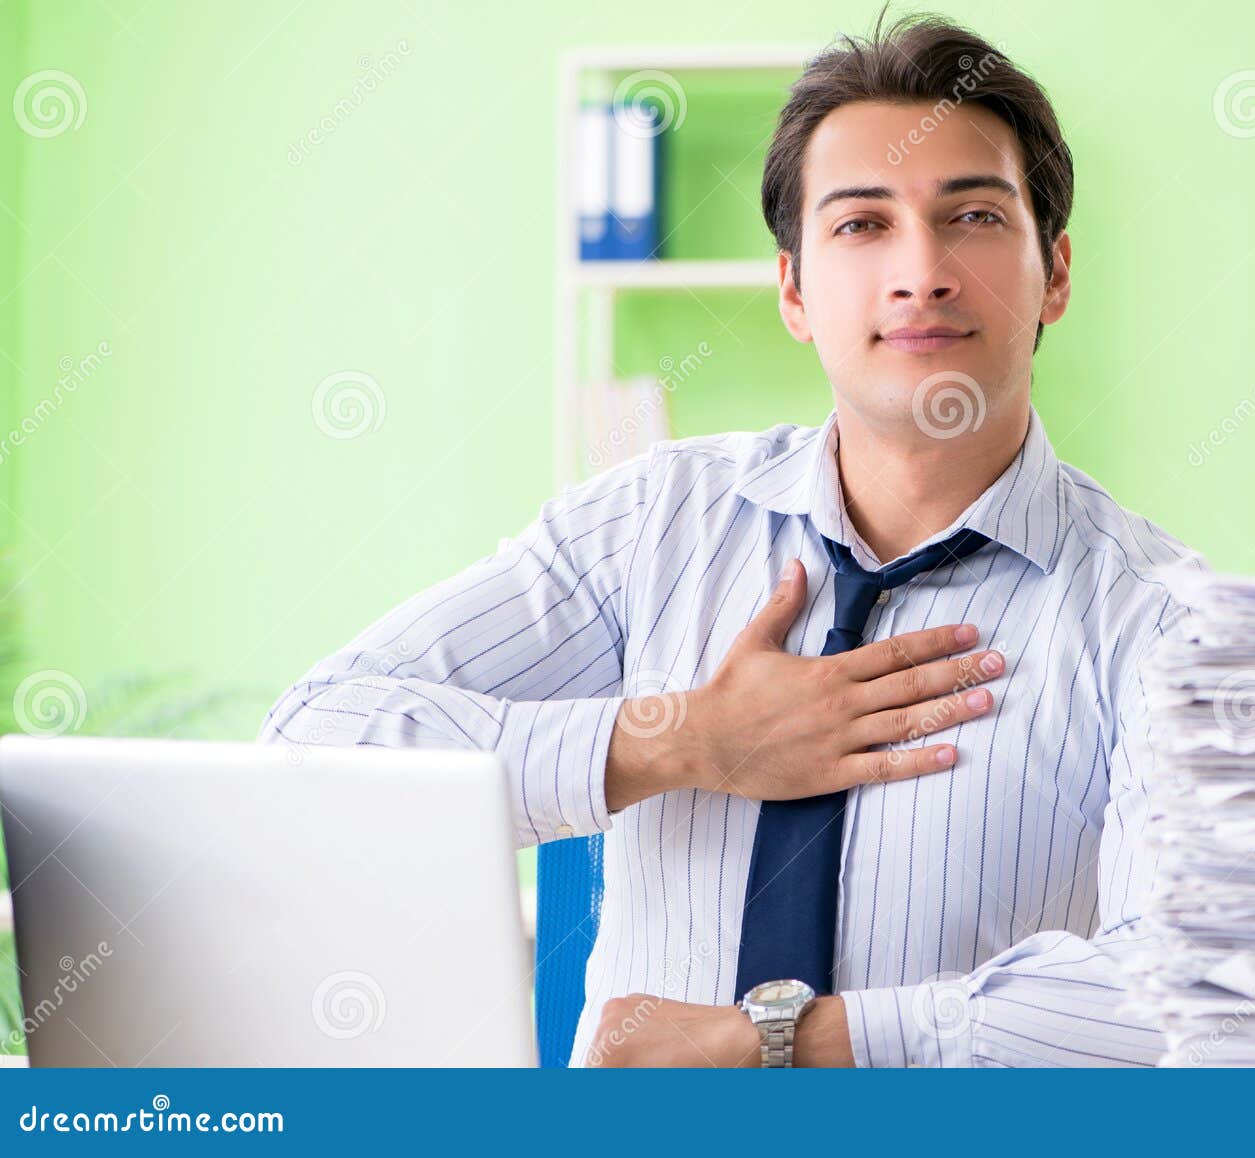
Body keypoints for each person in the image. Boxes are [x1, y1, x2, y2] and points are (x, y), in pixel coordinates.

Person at [260, 9, 1205, 1067]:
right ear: (794, 289)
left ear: (1056, 274)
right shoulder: (645, 525)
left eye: (973, 217)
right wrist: (680, 740)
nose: (921, 272)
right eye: (860, 225)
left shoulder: (1165, 620)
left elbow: (1180, 994)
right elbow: (312, 744)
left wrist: (782, 1042)